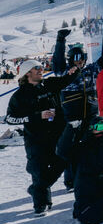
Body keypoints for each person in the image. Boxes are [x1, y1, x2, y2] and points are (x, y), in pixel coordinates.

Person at [52, 27, 103, 190]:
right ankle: (70, 181)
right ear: (71, 59)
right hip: (72, 117)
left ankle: (93, 175)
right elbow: (57, 62)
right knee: (71, 149)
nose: (80, 61)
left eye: (82, 57)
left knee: (95, 145)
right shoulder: (65, 72)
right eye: (76, 58)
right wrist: (60, 40)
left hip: (92, 115)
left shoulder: (92, 70)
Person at [5, 59, 79, 215]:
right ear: (27, 73)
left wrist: (75, 71)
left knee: (62, 162)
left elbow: (67, 80)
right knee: (38, 171)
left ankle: (36, 189)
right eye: (36, 68)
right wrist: (36, 116)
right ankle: (41, 204)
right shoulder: (19, 95)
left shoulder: (50, 84)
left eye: (41, 67)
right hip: (35, 140)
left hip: (57, 136)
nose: (41, 70)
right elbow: (10, 118)